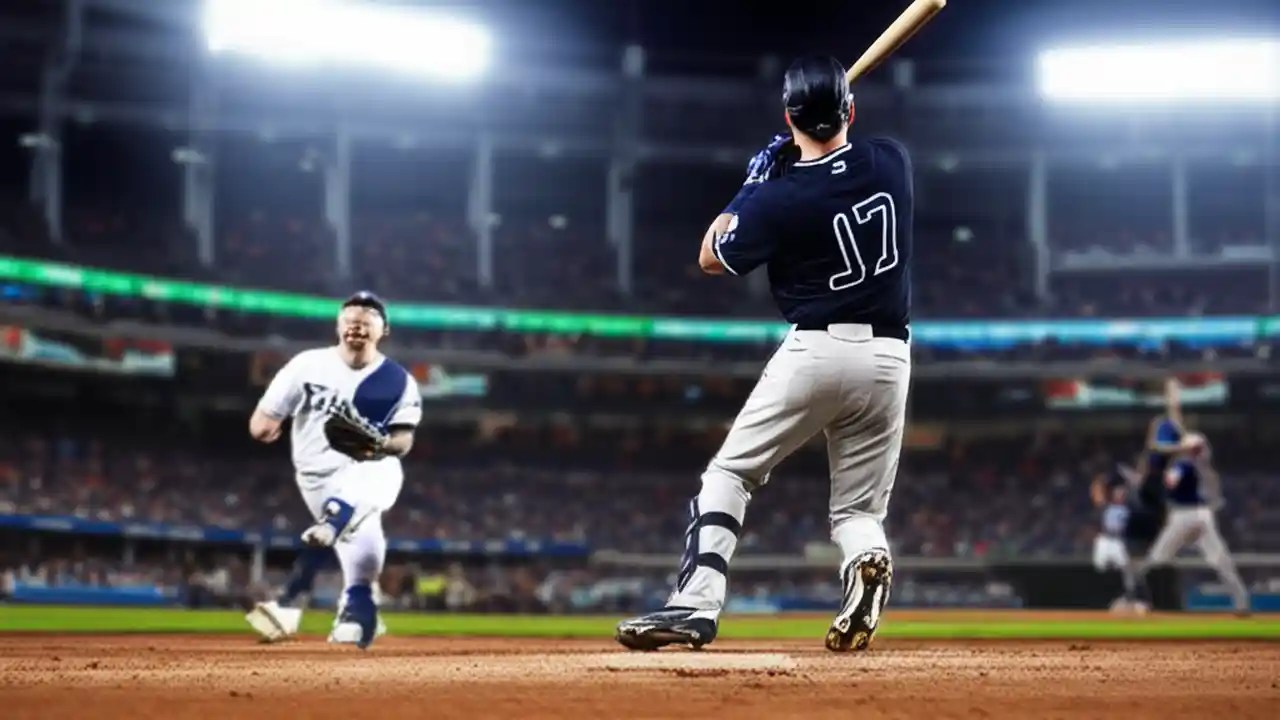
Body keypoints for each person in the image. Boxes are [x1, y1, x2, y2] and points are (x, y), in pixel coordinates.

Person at [615, 54, 913, 653]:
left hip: (817, 350)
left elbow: (709, 255)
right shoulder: (891, 160)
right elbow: (841, 155)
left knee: (729, 474)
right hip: (890, 359)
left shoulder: (778, 199)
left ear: (787, 115)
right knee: (857, 512)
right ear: (851, 110)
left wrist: (754, 183)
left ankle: (694, 606)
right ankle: (868, 562)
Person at [243, 292, 421, 649]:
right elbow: (261, 424)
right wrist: (267, 427)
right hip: (315, 476)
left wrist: (380, 445)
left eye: (368, 317)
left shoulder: (398, 379)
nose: (358, 321)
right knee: (363, 536)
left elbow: (403, 442)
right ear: (338, 325)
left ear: (384, 330)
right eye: (350, 316)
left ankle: (311, 600)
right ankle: (355, 605)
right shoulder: (306, 365)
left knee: (384, 470)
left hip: (368, 468)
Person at [1136, 432, 1250, 615]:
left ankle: (1141, 600)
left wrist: (1163, 461)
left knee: (1156, 559)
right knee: (1220, 560)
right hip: (1202, 515)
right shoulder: (1202, 466)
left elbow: (1170, 483)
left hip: (1184, 515)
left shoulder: (1184, 464)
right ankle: (1241, 603)